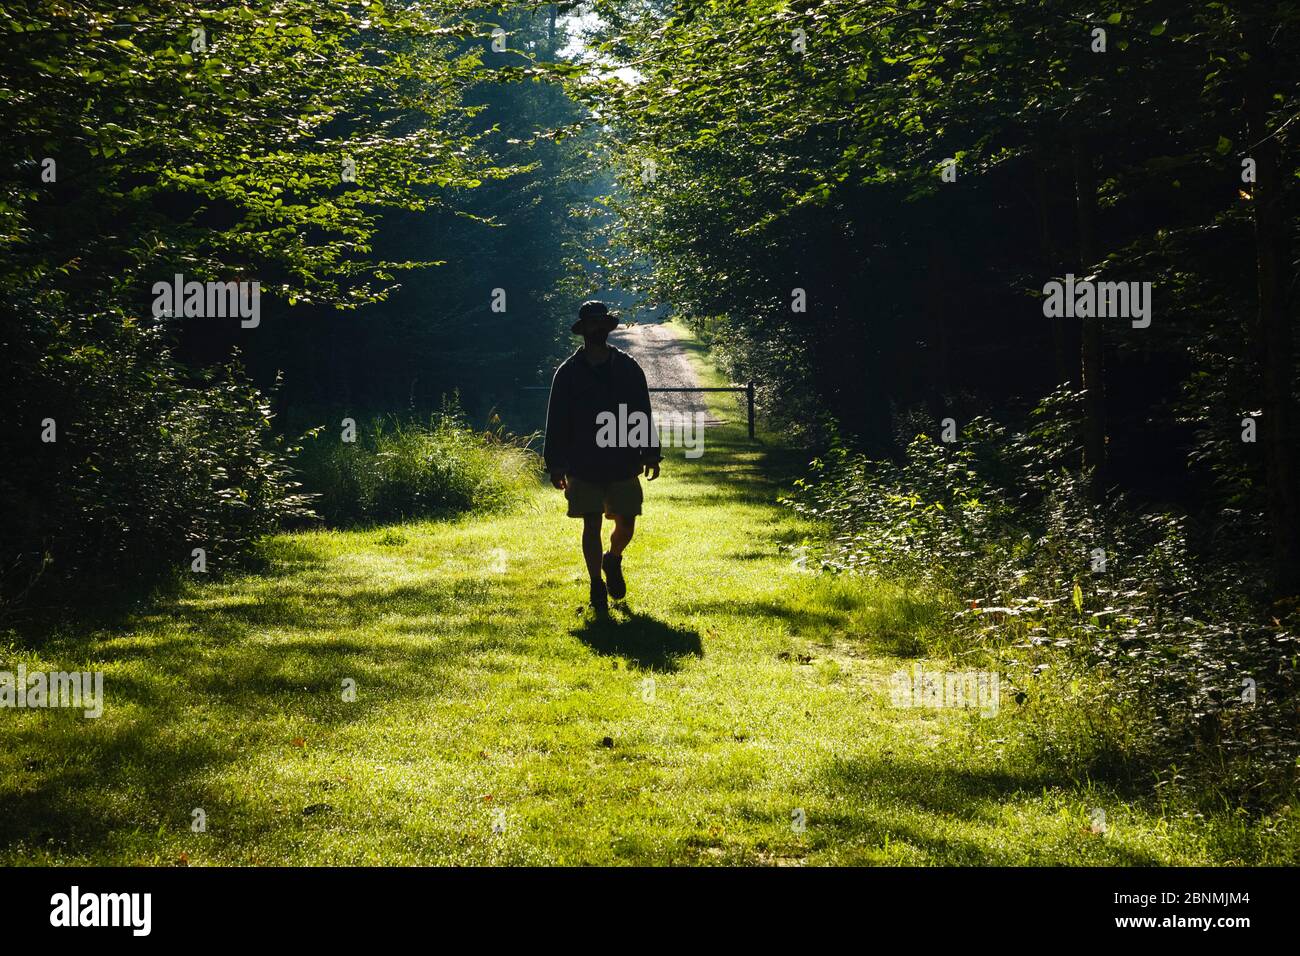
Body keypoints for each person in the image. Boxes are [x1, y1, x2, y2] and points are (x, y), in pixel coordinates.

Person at [543, 301, 662, 611]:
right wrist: (556, 464)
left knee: (627, 524)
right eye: (591, 324)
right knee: (591, 524)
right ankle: (596, 584)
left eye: (600, 323)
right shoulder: (568, 373)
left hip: (623, 460)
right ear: (583, 330)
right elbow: (556, 419)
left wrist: (650, 452)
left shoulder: (628, 368)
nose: (596, 328)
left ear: (608, 328)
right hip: (583, 461)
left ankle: (613, 559)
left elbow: (641, 412)